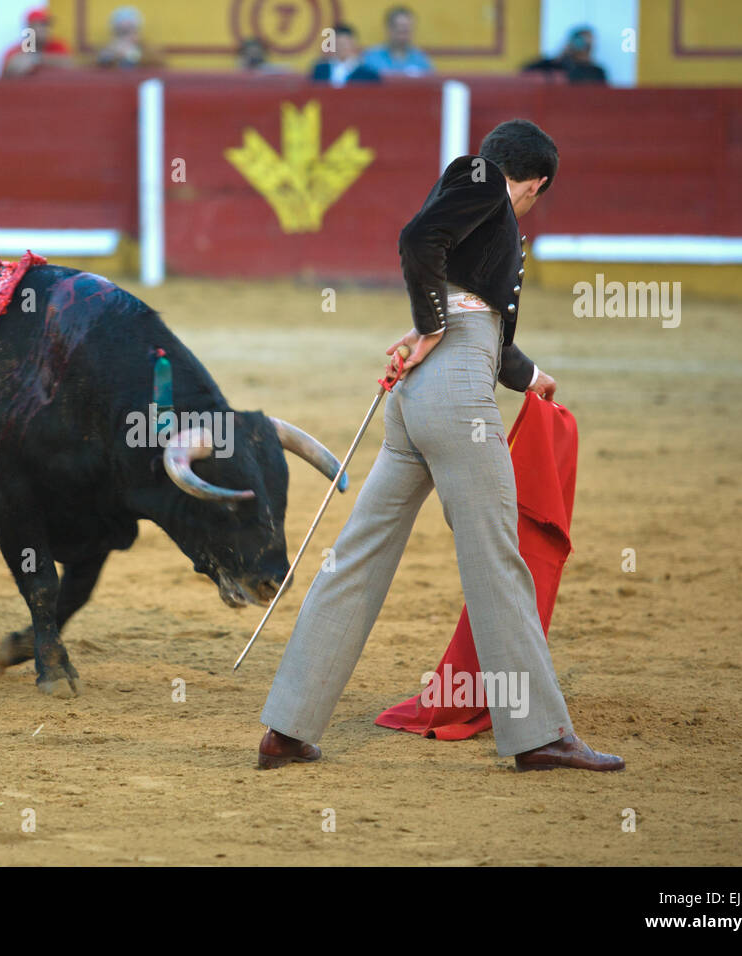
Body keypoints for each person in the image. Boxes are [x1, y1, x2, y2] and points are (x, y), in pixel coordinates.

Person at [256, 119, 625, 774]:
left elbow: (470, 312)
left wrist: (526, 375)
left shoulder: (476, 207)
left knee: (358, 556)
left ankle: (287, 727)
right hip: (456, 401)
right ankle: (540, 734)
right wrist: (429, 325)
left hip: (420, 399)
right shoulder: (482, 180)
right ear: (536, 182)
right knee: (495, 559)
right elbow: (417, 243)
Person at [363, 6, 434, 77]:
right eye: (400, 29)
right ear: (389, 29)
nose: (403, 34)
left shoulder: (421, 59)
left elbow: (431, 84)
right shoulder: (371, 58)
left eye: (407, 29)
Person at [1, 8, 73, 78]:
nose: (46, 29)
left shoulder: (57, 46)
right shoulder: (15, 50)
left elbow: (69, 64)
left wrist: (35, 59)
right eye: (42, 25)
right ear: (29, 28)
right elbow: (5, 75)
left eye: (48, 25)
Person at [523, 26, 607, 84]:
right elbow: (526, 72)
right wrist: (560, 57)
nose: (585, 49)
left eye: (588, 45)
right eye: (582, 43)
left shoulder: (596, 72)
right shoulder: (556, 64)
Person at [309, 23, 381, 87]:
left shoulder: (368, 75)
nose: (341, 48)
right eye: (337, 44)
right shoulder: (320, 71)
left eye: (344, 44)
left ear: (354, 44)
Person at [95, 6, 165, 69]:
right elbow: (97, 67)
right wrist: (112, 55)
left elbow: (158, 65)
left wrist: (135, 55)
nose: (126, 38)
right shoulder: (107, 49)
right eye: (122, 33)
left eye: (129, 31)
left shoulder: (146, 50)